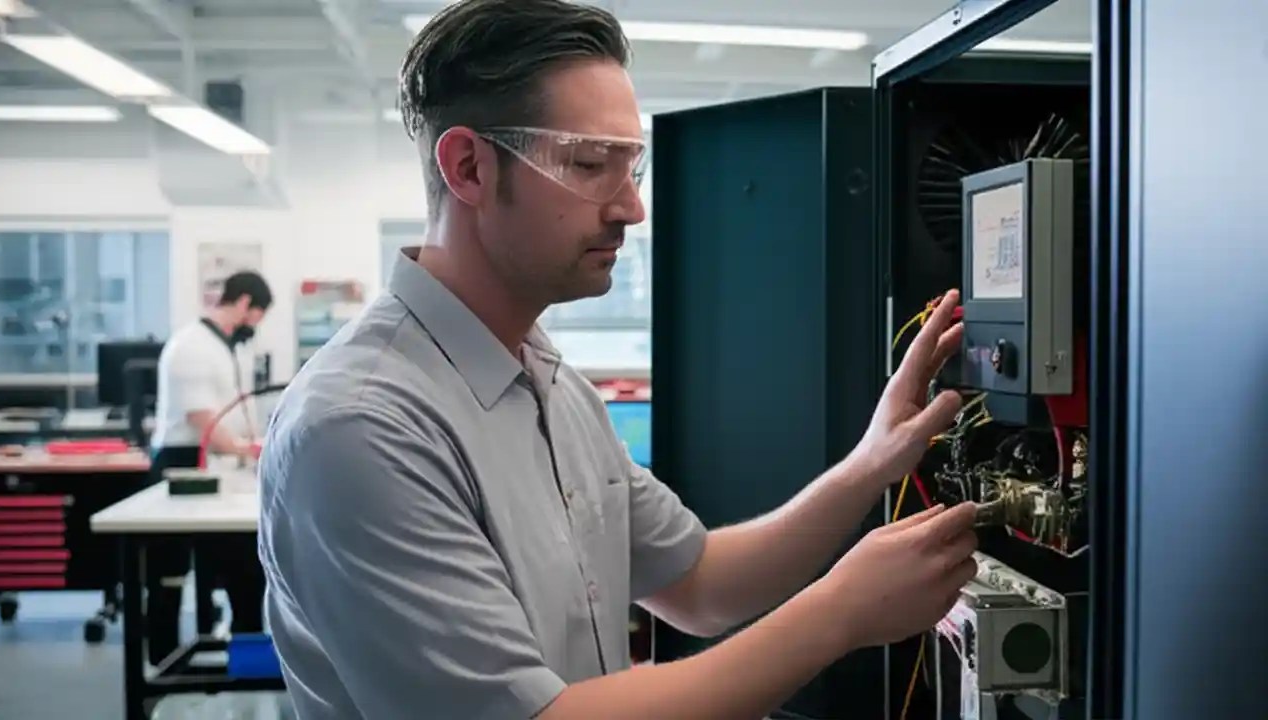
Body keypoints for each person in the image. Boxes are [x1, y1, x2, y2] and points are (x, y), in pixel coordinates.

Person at [256, 1, 977, 718]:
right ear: (470, 167)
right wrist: (840, 614)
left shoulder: (550, 384)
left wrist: (871, 463)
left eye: (632, 166)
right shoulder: (360, 428)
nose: (632, 207)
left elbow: (699, 585)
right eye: (590, 163)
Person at [146, 270, 271, 665]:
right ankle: (163, 664)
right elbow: (203, 419)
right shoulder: (191, 346)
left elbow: (238, 409)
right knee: (169, 575)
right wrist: (248, 450)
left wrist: (253, 447)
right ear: (245, 303)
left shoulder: (229, 348)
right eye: (258, 315)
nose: (255, 327)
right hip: (184, 464)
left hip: (223, 468)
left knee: (245, 571)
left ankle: (245, 661)